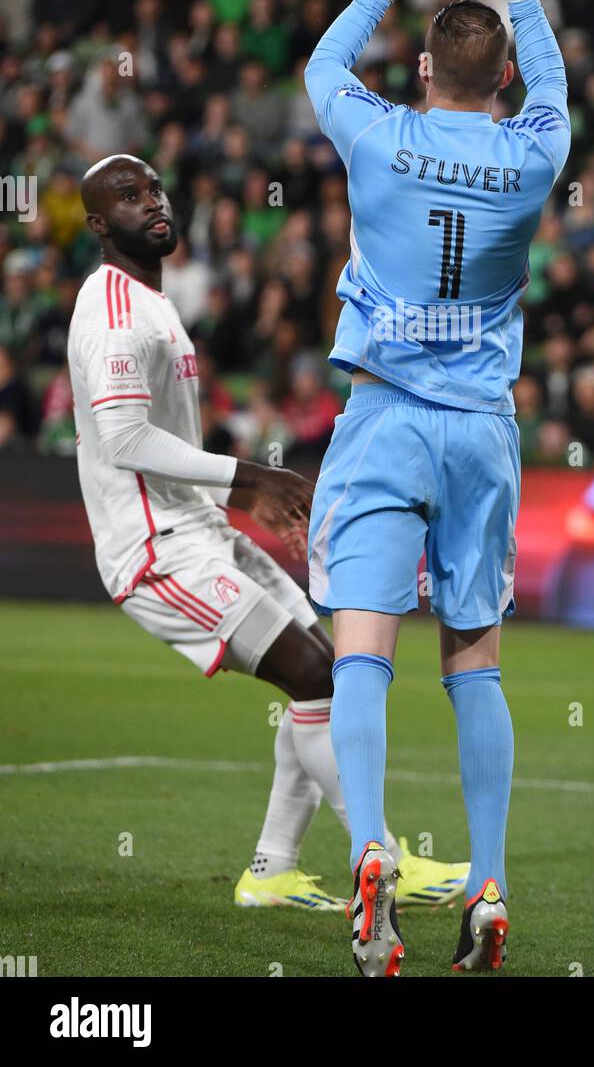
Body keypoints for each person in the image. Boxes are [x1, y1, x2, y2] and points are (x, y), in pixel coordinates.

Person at [66, 154, 468, 915]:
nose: (151, 201)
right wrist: (248, 477)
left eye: (154, 186)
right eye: (127, 196)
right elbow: (122, 439)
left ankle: (272, 870)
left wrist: (233, 499)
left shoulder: (147, 299)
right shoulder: (115, 310)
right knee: (318, 676)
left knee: (322, 670)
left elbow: (154, 439)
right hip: (154, 553)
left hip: (199, 530)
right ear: (96, 225)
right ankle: (377, 857)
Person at [304, 0, 571, 974]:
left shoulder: (372, 134)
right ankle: (490, 874)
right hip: (482, 434)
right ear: (501, 75)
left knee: (360, 649)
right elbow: (553, 85)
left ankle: (372, 847)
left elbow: (323, 65)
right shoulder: (533, 153)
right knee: (478, 659)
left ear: (423, 68)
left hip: (385, 420)